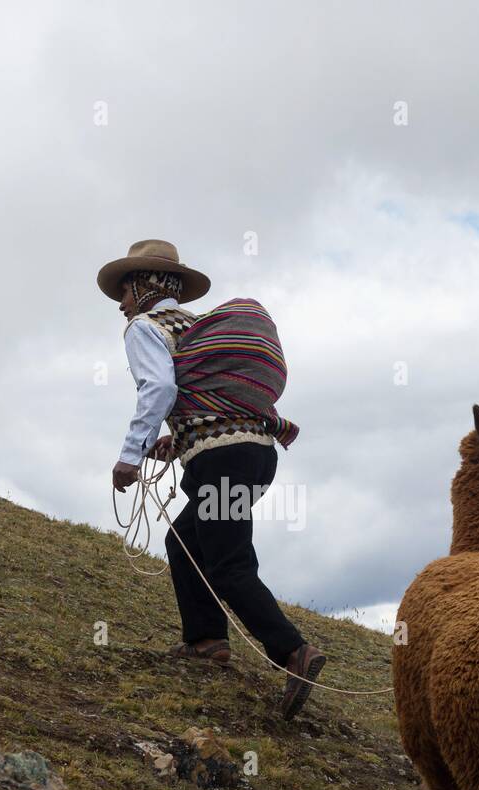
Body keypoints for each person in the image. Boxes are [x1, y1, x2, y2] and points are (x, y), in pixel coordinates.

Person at [98, 238, 326, 720]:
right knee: (185, 542)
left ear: (142, 287)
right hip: (257, 455)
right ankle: (206, 641)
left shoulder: (145, 327)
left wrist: (131, 455)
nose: (120, 305)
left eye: (124, 292)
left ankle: (293, 653)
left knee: (229, 564)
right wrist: (176, 441)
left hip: (223, 460)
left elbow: (159, 388)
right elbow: (207, 399)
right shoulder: (198, 328)